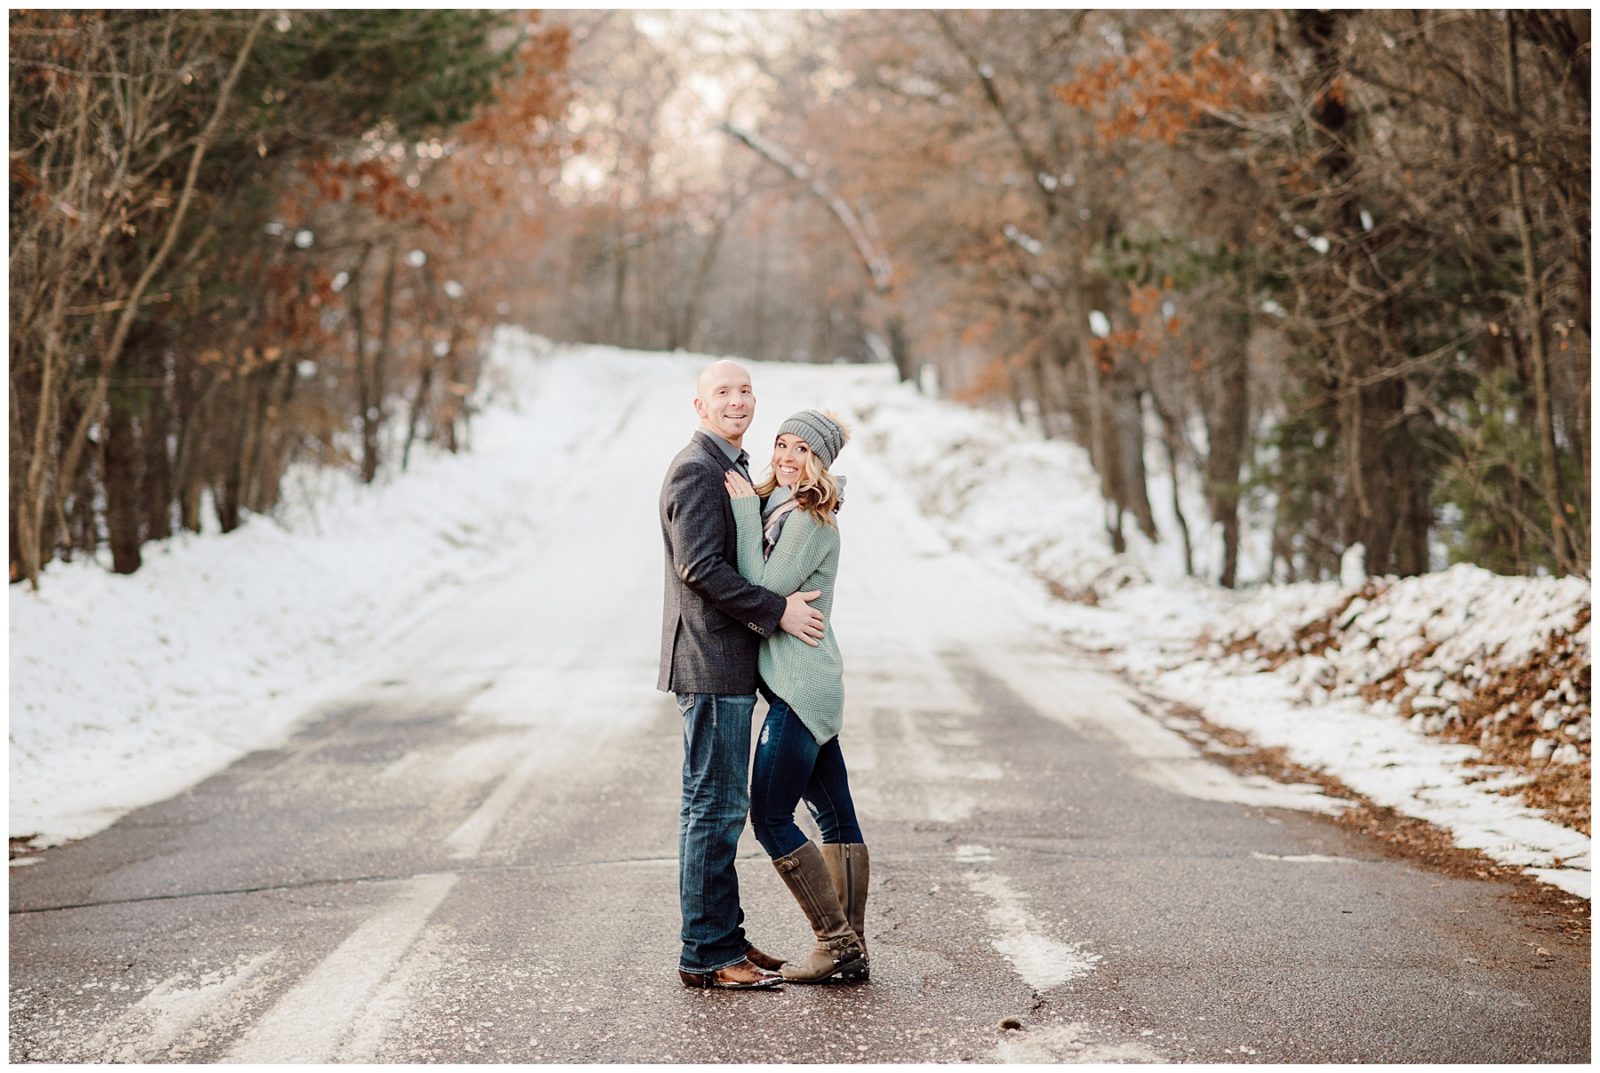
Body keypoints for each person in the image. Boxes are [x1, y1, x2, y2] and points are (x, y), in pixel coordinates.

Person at [658, 360, 827, 991]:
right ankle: (706, 954)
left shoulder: (731, 466)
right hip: (709, 661)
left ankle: (723, 936)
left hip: (726, 662)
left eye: (746, 390)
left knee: (719, 806)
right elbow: (700, 568)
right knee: (714, 808)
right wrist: (778, 611)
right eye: (723, 392)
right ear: (699, 405)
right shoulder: (696, 469)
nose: (738, 400)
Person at [723, 409, 870, 984]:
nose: (785, 456)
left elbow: (761, 588)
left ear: (820, 462)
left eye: (800, 449)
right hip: (808, 680)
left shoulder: (808, 518)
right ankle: (850, 949)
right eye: (781, 443)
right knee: (836, 818)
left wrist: (738, 511)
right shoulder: (783, 506)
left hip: (800, 688)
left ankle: (836, 943)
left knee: (771, 817)